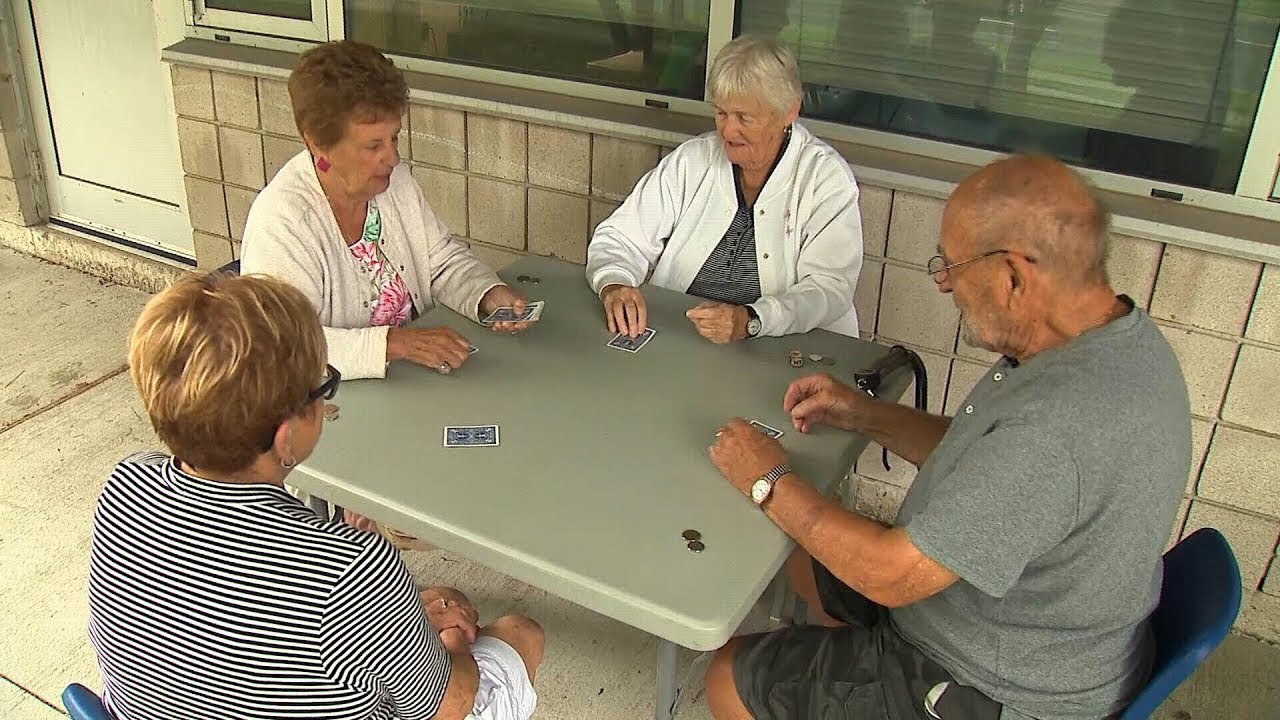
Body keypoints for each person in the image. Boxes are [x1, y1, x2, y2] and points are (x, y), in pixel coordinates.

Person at [701, 155, 1190, 720]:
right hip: (1006, 615)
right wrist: (862, 414)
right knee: (793, 553)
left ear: (1013, 278)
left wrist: (767, 479)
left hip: (987, 681)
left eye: (953, 266)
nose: (944, 284)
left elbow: (890, 576)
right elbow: (986, 458)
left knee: (727, 678)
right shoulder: (1111, 344)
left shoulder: (1057, 427)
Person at [89, 272, 543, 720]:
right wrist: (450, 644)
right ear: (286, 436)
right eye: (322, 388)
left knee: (430, 600)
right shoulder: (352, 571)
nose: (327, 402)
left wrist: (393, 610)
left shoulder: (123, 486)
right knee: (520, 632)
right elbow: (450, 703)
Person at [241, 40, 530, 382]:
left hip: (413, 383)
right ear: (318, 143)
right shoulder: (282, 222)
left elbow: (439, 261)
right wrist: (395, 344)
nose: (391, 158)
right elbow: (283, 347)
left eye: (394, 138)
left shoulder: (395, 183)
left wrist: (485, 293)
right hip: (331, 406)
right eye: (373, 145)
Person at [585, 35, 863, 344]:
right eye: (721, 113)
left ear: (789, 112)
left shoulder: (824, 177)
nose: (728, 131)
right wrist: (614, 283)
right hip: (685, 342)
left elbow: (829, 287)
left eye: (744, 117)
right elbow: (620, 237)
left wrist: (754, 320)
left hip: (787, 351)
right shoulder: (693, 160)